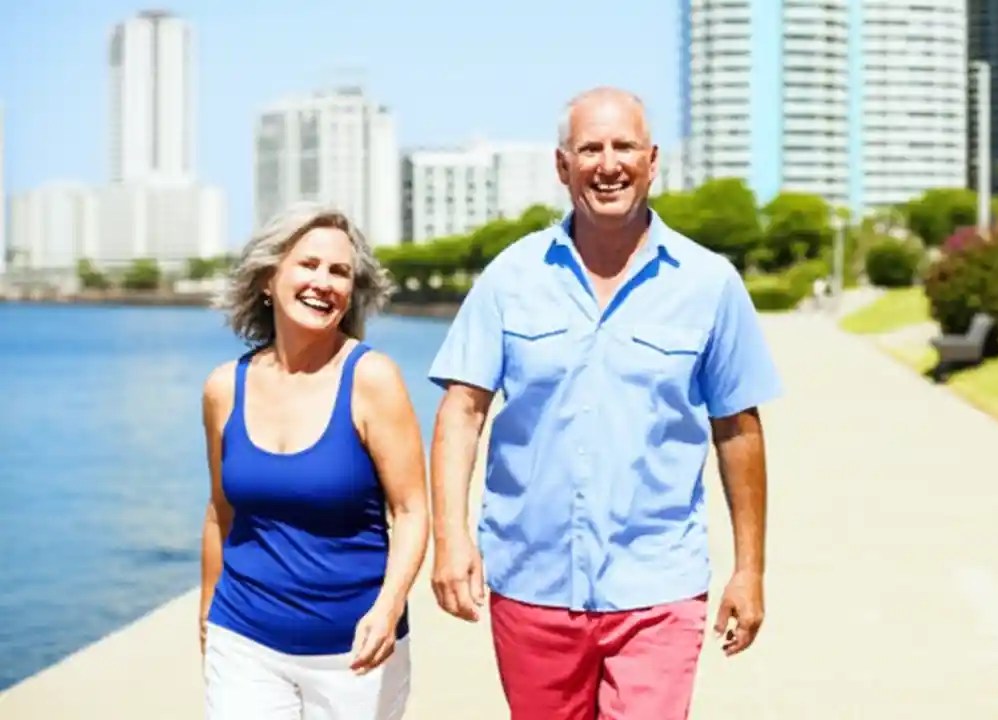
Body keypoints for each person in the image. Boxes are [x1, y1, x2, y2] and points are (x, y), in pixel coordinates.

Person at [427, 87, 783, 719]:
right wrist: (450, 540)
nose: (608, 163)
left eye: (623, 147)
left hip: (659, 587)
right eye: (590, 148)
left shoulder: (709, 284)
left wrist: (748, 569)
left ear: (652, 161)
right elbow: (463, 409)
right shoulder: (511, 277)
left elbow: (737, 429)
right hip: (530, 583)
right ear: (562, 166)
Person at [199, 202, 429, 719]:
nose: (323, 282)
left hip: (354, 653)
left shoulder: (372, 379)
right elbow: (220, 514)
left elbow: (412, 511)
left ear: (352, 294)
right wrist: (207, 613)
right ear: (267, 277)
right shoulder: (223, 388)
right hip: (243, 640)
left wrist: (389, 607)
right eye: (308, 264)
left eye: (339, 272)